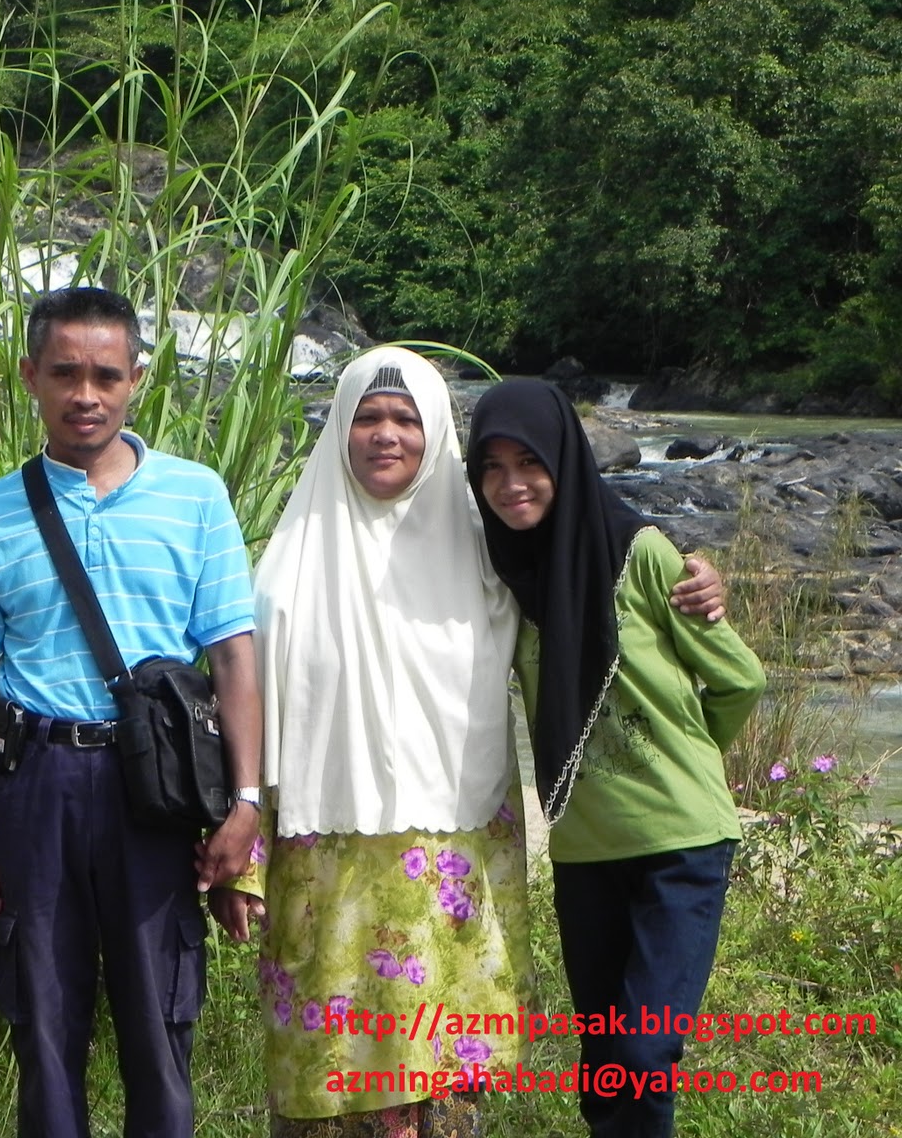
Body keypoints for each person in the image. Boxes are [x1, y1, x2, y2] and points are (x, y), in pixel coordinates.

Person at [211, 349, 729, 1138]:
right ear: (339, 430)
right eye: (368, 418)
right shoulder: (289, 565)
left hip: (447, 860)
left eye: (407, 419)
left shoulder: (482, 546)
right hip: (323, 867)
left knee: (440, 1089)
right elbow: (254, 705)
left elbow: (580, 545)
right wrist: (244, 853)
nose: (387, 435)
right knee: (328, 1083)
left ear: (436, 433)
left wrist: (690, 567)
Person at [0, 285, 263, 1138]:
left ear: (137, 382)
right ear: (30, 377)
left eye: (106, 375)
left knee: (159, 1018)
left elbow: (234, 655)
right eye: (65, 374)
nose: (85, 394)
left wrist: (248, 804)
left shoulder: (195, 496)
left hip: (153, 793)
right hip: (36, 784)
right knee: (43, 1018)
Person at [466, 378, 764, 1138]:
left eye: (528, 462)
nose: (511, 485)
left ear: (565, 459)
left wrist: (686, 763)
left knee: (642, 1047)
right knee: (606, 1074)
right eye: (491, 468)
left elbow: (739, 678)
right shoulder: (505, 577)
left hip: (680, 847)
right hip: (584, 850)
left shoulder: (643, 553)